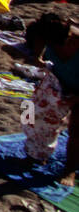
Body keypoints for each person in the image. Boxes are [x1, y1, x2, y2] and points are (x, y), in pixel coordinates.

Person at [22, 14, 79, 185]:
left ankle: (70, 170)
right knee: (35, 114)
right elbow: (37, 39)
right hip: (61, 81)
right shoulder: (48, 35)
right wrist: (37, 56)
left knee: (77, 129)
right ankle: (38, 154)